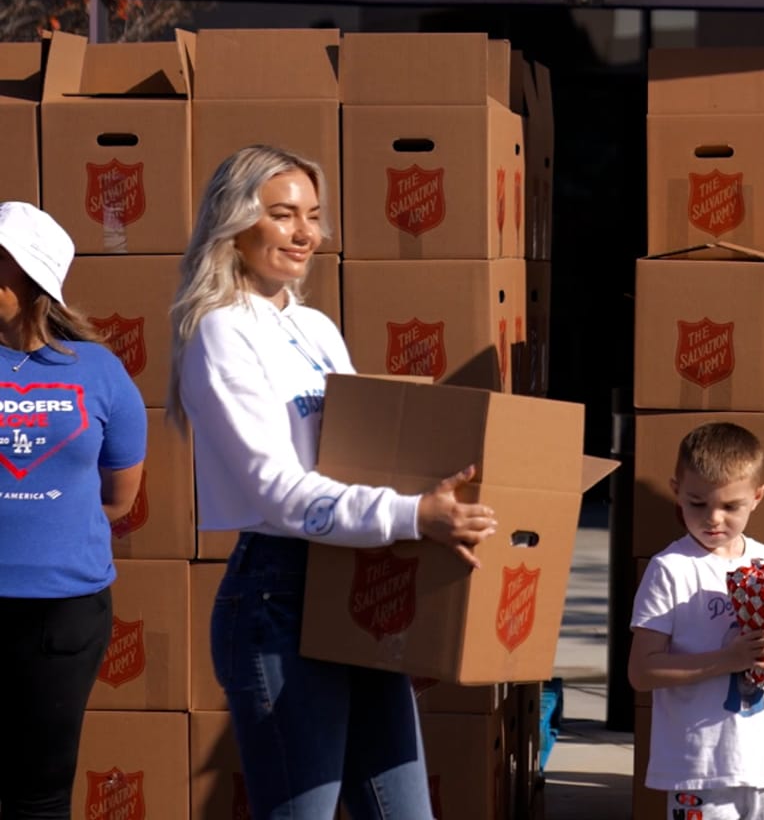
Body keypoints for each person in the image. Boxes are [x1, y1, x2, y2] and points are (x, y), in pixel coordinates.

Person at [165, 145, 499, 819]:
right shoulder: (220, 333)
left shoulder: (315, 328)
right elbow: (278, 491)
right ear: (233, 223)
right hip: (278, 593)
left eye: (313, 217)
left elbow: (358, 459)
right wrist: (413, 516)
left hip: (358, 580)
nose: (305, 235)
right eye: (283, 215)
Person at [0, 201, 147, 819]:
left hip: (62, 617)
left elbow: (120, 497)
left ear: (31, 280)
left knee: (39, 792)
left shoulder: (101, 372)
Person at [628, 422, 764, 820]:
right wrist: (727, 659)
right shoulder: (671, 569)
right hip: (699, 766)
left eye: (731, 507)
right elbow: (641, 671)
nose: (714, 519)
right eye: (697, 503)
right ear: (676, 489)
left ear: (758, 497)